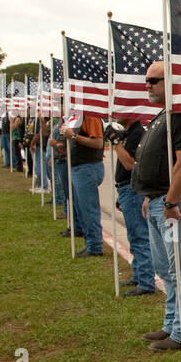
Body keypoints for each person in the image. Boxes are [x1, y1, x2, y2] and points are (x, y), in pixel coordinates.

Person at [132, 61, 181, 351]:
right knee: (166, 268)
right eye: (147, 80)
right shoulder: (165, 114)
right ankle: (172, 324)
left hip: (175, 204)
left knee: (180, 268)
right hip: (160, 200)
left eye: (153, 80)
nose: (147, 85)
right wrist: (152, 196)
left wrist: (172, 200)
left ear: (170, 81)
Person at [108, 112, 156, 296]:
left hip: (132, 189)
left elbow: (130, 164)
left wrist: (115, 143)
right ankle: (138, 274)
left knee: (139, 235)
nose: (116, 115)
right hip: (126, 189)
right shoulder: (129, 134)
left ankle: (145, 281)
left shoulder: (137, 134)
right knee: (133, 235)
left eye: (121, 111)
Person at [64, 107, 105, 257]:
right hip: (80, 167)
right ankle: (90, 243)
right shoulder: (78, 116)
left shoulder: (90, 116)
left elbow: (98, 143)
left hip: (87, 167)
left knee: (88, 209)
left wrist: (74, 136)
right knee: (81, 208)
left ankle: (95, 245)